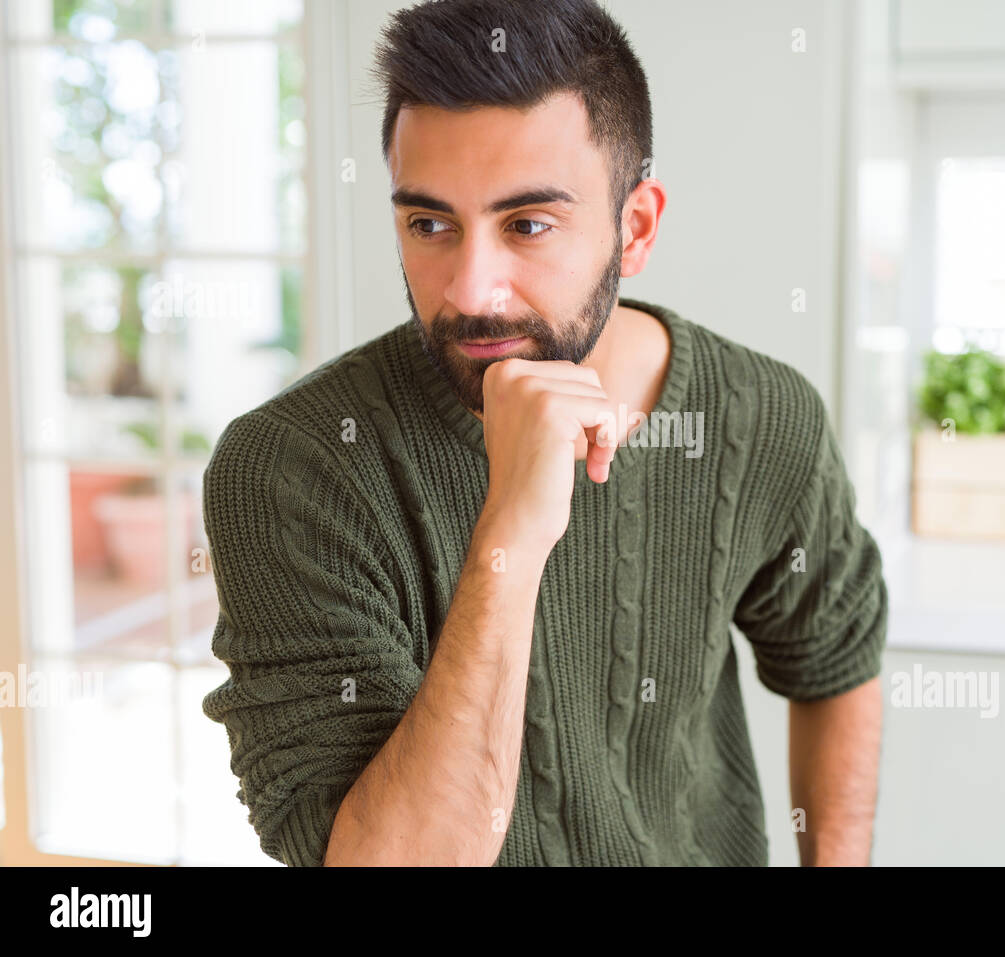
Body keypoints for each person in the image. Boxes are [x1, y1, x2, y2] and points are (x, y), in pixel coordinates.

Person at [201, 0, 887, 867]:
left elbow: (836, 653)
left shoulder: (759, 415)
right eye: (429, 224)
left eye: (527, 224)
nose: (472, 289)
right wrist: (511, 539)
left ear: (634, 227)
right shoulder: (292, 467)